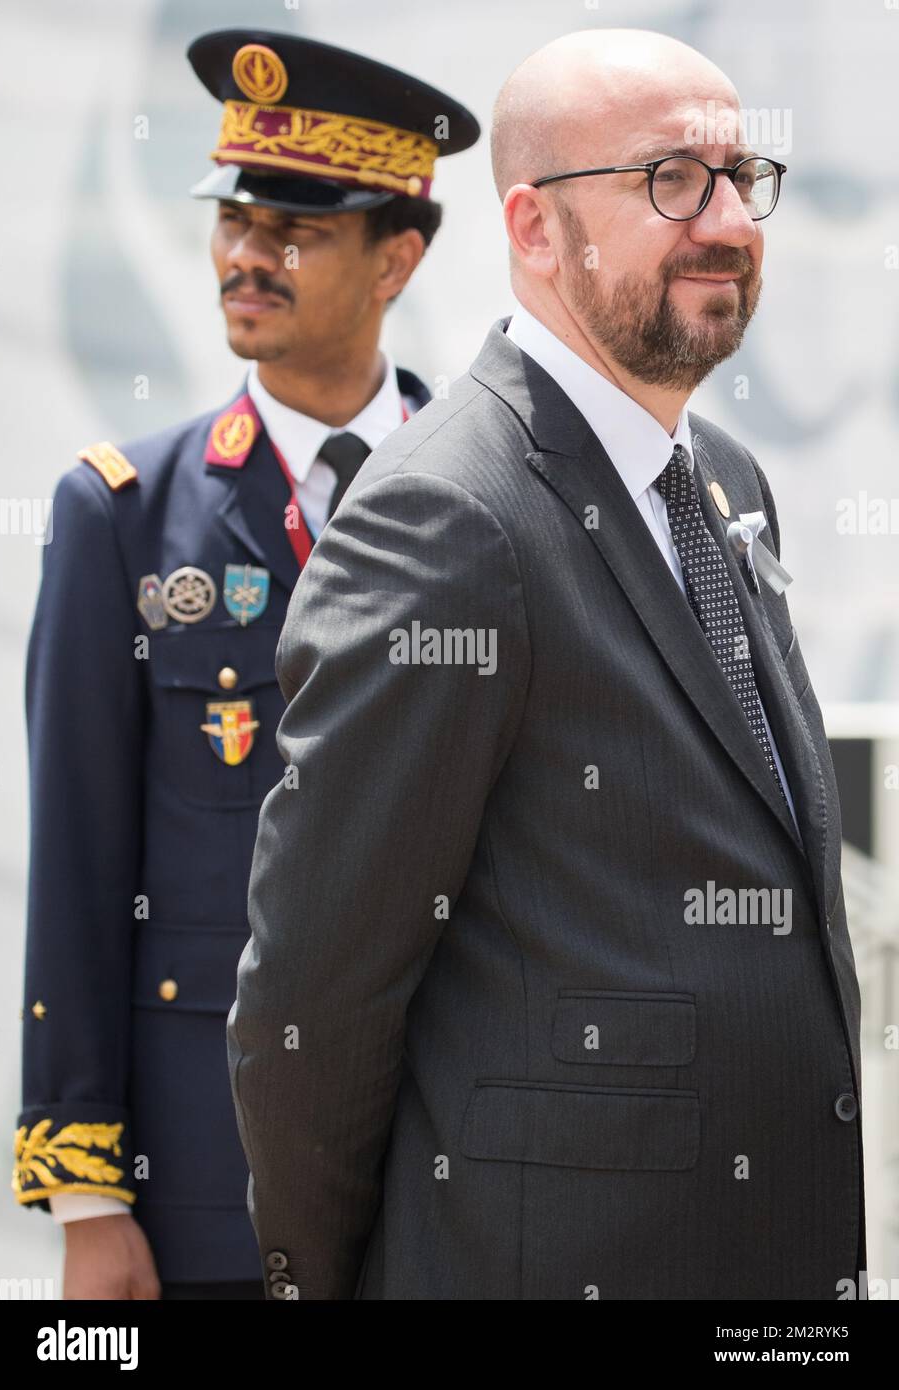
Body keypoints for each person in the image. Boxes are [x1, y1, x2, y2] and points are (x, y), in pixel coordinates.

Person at [227, 28, 865, 1300]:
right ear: (532, 228)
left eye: (743, 174)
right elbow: (317, 990)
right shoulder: (450, 517)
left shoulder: (725, 482)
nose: (730, 219)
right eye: (672, 178)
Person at [13, 26, 479, 1300]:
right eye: (234, 218)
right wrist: (86, 1198)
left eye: (296, 229)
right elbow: (78, 860)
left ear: (400, 257)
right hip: (201, 1180)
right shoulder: (119, 513)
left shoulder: (496, 507)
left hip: (455, 1162)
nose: (244, 257)